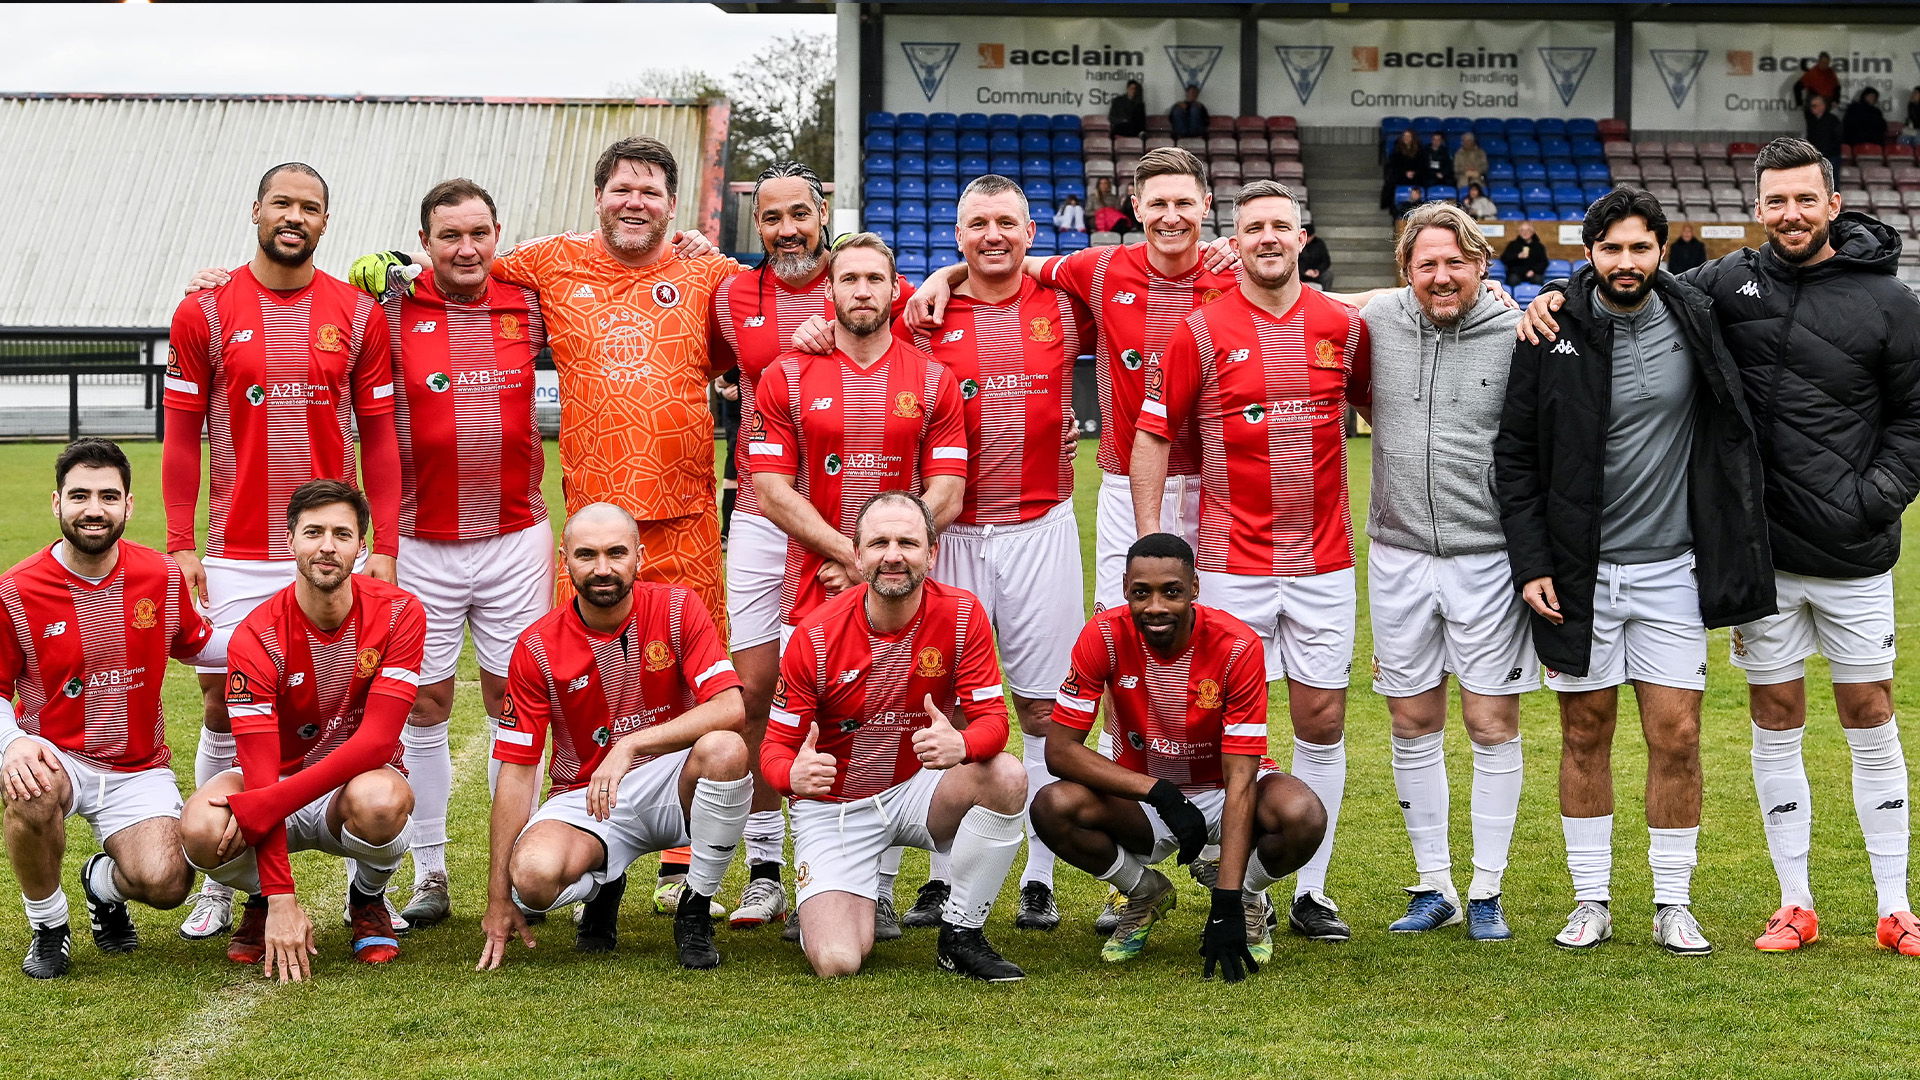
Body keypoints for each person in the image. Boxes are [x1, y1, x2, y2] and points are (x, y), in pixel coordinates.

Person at [1518, 139, 1920, 956]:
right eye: (1776, 201)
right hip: (1757, 558)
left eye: (1805, 199)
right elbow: (1625, 280)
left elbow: (1914, 418)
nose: (1791, 215)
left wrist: (1871, 499)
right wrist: (1554, 295)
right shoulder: (1723, 285)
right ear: (1756, 208)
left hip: (1854, 552)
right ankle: (1794, 904)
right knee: (1775, 719)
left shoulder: (1891, 300)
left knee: (1871, 714)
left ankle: (1895, 905)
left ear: (1834, 204)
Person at [353, 137, 730, 915]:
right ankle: (480, 863)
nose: (635, 202)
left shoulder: (707, 272)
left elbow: (794, 300)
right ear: (598, 197)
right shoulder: (542, 267)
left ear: (673, 203)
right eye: (622, 188)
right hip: (580, 526)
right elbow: (390, 288)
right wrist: (383, 265)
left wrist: (926, 273)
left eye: (651, 191)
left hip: (681, 517)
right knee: (560, 697)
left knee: (697, 686)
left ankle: (688, 867)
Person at [1496, 187, 1774, 956]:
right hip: (1578, 575)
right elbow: (1514, 456)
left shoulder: (1697, 315)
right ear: (1589, 253)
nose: (1626, 261)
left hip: (1672, 572)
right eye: (1612, 248)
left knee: (1677, 736)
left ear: (1661, 250)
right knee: (1585, 733)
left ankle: (1672, 902)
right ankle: (1590, 900)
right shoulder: (1550, 328)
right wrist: (1532, 562)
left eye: (1640, 247)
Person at [165, 161, 402, 942]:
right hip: (236, 548)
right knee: (222, 707)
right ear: (256, 211)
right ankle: (224, 883)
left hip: (332, 546)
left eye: (310, 207)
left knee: (347, 703)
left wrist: (384, 544)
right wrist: (180, 543)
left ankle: (371, 883)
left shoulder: (358, 314)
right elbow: (180, 436)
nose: (294, 216)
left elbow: (380, 438)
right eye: (282, 203)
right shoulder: (204, 309)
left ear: (325, 221)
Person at [1133, 179, 1372, 943]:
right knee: (1232, 727)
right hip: (1231, 563)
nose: (1268, 237)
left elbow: (1384, 412)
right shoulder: (1201, 331)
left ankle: (1308, 892)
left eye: (1281, 225)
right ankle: (1239, 878)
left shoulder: (1342, 327)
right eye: (1254, 227)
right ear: (1233, 243)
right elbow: (1152, 435)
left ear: (1301, 238)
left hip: (1325, 562)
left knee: (1322, 720)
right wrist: (1149, 544)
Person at [751, 233, 969, 936]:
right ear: (830, 290)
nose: (863, 291)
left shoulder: (931, 377)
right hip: (813, 583)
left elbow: (949, 491)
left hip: (902, 590)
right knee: (813, 733)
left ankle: (879, 887)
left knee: (899, 728)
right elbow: (770, 488)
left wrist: (877, 561)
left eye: (876, 278)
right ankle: (813, 877)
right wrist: (853, 554)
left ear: (895, 289)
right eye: (850, 279)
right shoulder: (786, 374)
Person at [903, 174, 1092, 932]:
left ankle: (1039, 877)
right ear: (957, 237)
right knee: (943, 705)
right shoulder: (921, 312)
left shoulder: (1066, 305)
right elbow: (847, 308)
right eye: (977, 224)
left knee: (1043, 707)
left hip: (1041, 529)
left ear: (1030, 233)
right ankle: (940, 874)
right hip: (949, 534)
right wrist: (937, 281)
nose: (992, 236)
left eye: (1006, 223)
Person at [708, 161, 879, 933]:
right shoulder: (730, 295)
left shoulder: (863, 281)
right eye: (771, 218)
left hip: (852, 519)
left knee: (853, 692)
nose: (786, 230)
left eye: (799, 215)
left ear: (824, 215)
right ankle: (765, 869)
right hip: (758, 513)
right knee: (755, 693)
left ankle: (857, 863)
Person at [1033, 533, 1328, 979]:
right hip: (1145, 797)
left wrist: (1226, 902)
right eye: (1141, 593)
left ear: (1194, 588)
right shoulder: (1103, 635)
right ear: (1125, 588)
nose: (1155, 607)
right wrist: (1161, 793)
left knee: (1301, 813)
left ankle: (1246, 897)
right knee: (1052, 805)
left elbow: (1242, 778)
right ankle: (1144, 891)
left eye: (1171, 592)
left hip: (1224, 789)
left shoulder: (1238, 645)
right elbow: (1059, 751)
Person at [760, 491, 1029, 981]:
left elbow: (993, 722)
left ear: (932, 553)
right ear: (857, 555)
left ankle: (961, 933)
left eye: (907, 543)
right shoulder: (814, 634)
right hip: (837, 806)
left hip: (918, 789)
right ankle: (837, 894)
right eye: (879, 543)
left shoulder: (963, 614)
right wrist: (791, 777)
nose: (893, 556)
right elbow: (775, 749)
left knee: (1007, 776)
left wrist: (963, 745)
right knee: (838, 962)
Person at [1360, 203, 1534, 941]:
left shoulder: (1519, 330)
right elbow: (1297, 299)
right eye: (1426, 263)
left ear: (1481, 266)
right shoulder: (1375, 319)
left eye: (1455, 262)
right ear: (1405, 269)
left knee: (1490, 723)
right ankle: (1433, 883)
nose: (1441, 276)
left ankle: (1487, 887)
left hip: (1487, 556)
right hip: (1397, 552)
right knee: (1411, 720)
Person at [477, 503, 749, 971]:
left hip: (673, 782)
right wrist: (499, 897)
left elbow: (731, 708)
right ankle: (602, 884)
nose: (602, 568)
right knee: (534, 879)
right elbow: (517, 772)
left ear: (639, 556)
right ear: (565, 561)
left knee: (726, 748)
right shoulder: (536, 645)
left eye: (616, 553)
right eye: (587, 555)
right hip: (587, 796)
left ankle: (696, 906)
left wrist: (632, 745)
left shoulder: (679, 607)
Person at [179, 481, 426, 981]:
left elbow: (378, 742)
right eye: (313, 532)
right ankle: (258, 900)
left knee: (384, 801)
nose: (327, 546)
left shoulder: (400, 612)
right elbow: (259, 771)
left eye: (342, 534)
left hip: (351, 786)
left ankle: (368, 898)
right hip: (273, 777)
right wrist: (280, 897)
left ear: (362, 545)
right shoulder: (255, 634)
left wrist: (269, 804)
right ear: (289, 540)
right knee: (200, 828)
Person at [1, 440, 225, 978]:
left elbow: (201, 644)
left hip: (136, 765)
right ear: (56, 503)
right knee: (31, 787)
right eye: (79, 496)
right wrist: (12, 743)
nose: (93, 509)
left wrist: (282, 638)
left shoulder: (160, 575)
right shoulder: (14, 589)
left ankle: (101, 884)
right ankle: (49, 926)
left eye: (107, 496)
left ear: (128, 505)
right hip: (55, 754)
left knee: (168, 883)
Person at [1382, 129, 1422, 211]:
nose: (1406, 138)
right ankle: (1394, 209)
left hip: (1416, 175)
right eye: (1404, 136)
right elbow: (1394, 165)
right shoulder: (1397, 150)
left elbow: (1422, 165)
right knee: (1391, 183)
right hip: (1401, 174)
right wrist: (1405, 173)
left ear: (1412, 138)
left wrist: (1414, 172)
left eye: (1408, 136)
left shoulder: (1419, 150)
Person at [1501, 221, 1549, 286]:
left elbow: (1544, 262)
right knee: (1512, 280)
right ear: (1519, 232)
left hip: (1533, 273)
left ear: (1532, 232)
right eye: (1522, 230)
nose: (1525, 232)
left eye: (1528, 230)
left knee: (1538, 280)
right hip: (1516, 273)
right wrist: (1517, 256)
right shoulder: (1513, 245)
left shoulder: (1539, 246)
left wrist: (1534, 271)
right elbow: (1504, 258)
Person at [1804, 95, 1843, 174]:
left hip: (1831, 157)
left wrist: (1827, 151)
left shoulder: (1832, 120)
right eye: (1811, 106)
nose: (1812, 108)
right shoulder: (1812, 121)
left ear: (1822, 106)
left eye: (1814, 105)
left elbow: (1838, 138)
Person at [1298, 222, 1332, 290]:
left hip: (1316, 273)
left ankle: (1324, 293)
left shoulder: (1319, 244)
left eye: (1309, 237)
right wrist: (1304, 271)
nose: (1308, 239)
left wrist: (1318, 270)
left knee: (1328, 275)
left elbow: (1326, 261)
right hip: (1301, 273)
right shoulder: (1298, 243)